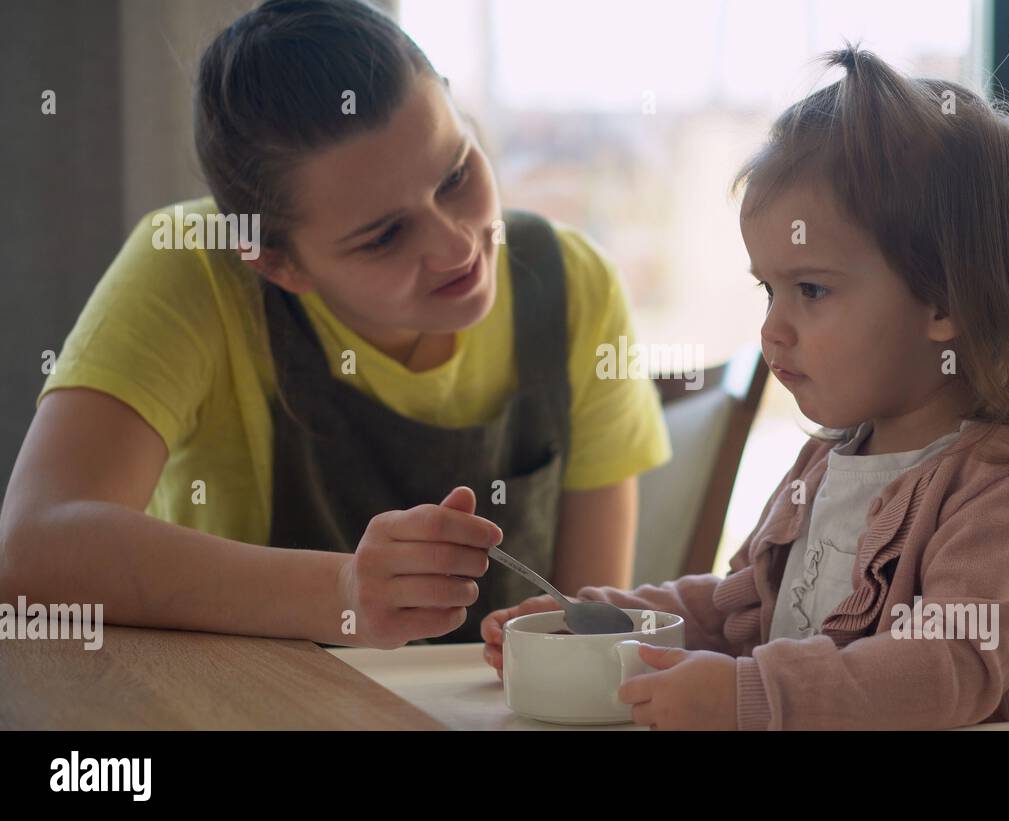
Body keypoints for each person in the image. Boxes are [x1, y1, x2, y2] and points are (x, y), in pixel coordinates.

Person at [0, 0, 669, 649]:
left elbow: (586, 636)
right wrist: (342, 592)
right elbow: (31, 550)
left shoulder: (573, 285)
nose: (456, 246)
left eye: (456, 175)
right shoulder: (191, 267)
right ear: (277, 262)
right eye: (383, 236)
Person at [482, 47, 1009, 730]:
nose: (773, 329)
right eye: (768, 288)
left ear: (943, 300)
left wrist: (754, 696)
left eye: (811, 289)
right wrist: (610, 622)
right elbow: (735, 608)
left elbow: (940, 673)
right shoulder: (829, 459)